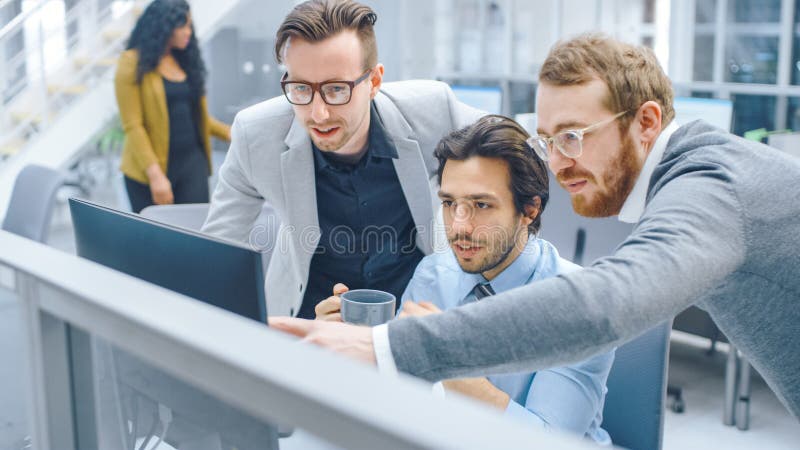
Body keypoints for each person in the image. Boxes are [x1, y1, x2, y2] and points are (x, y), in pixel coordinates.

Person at [270, 33, 800, 419]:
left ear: (647, 122)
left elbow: (605, 307)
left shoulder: (708, 186)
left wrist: (395, 349)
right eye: (549, 140)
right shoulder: (707, 174)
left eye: (574, 135)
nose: (558, 161)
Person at [319, 115, 614, 441]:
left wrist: (441, 360)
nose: (459, 227)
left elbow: (547, 442)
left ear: (529, 210)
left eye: (481, 205)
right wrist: (357, 349)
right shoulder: (433, 275)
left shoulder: (582, 306)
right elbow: (401, 394)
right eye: (449, 203)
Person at [202, 0, 482, 318]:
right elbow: (218, 252)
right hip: (310, 320)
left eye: (336, 89)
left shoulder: (433, 110)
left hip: (413, 316)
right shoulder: (256, 135)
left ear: (374, 82)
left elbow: (511, 144)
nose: (318, 114)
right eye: (301, 88)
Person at [115, 0, 231, 213]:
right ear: (164, 26)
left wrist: (234, 133)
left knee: (195, 234)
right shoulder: (131, 62)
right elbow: (133, 125)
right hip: (148, 170)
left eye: (190, 25)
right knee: (156, 240)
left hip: (192, 163)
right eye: (183, 25)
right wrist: (156, 176)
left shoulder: (185, 60)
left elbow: (198, 118)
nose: (189, 32)